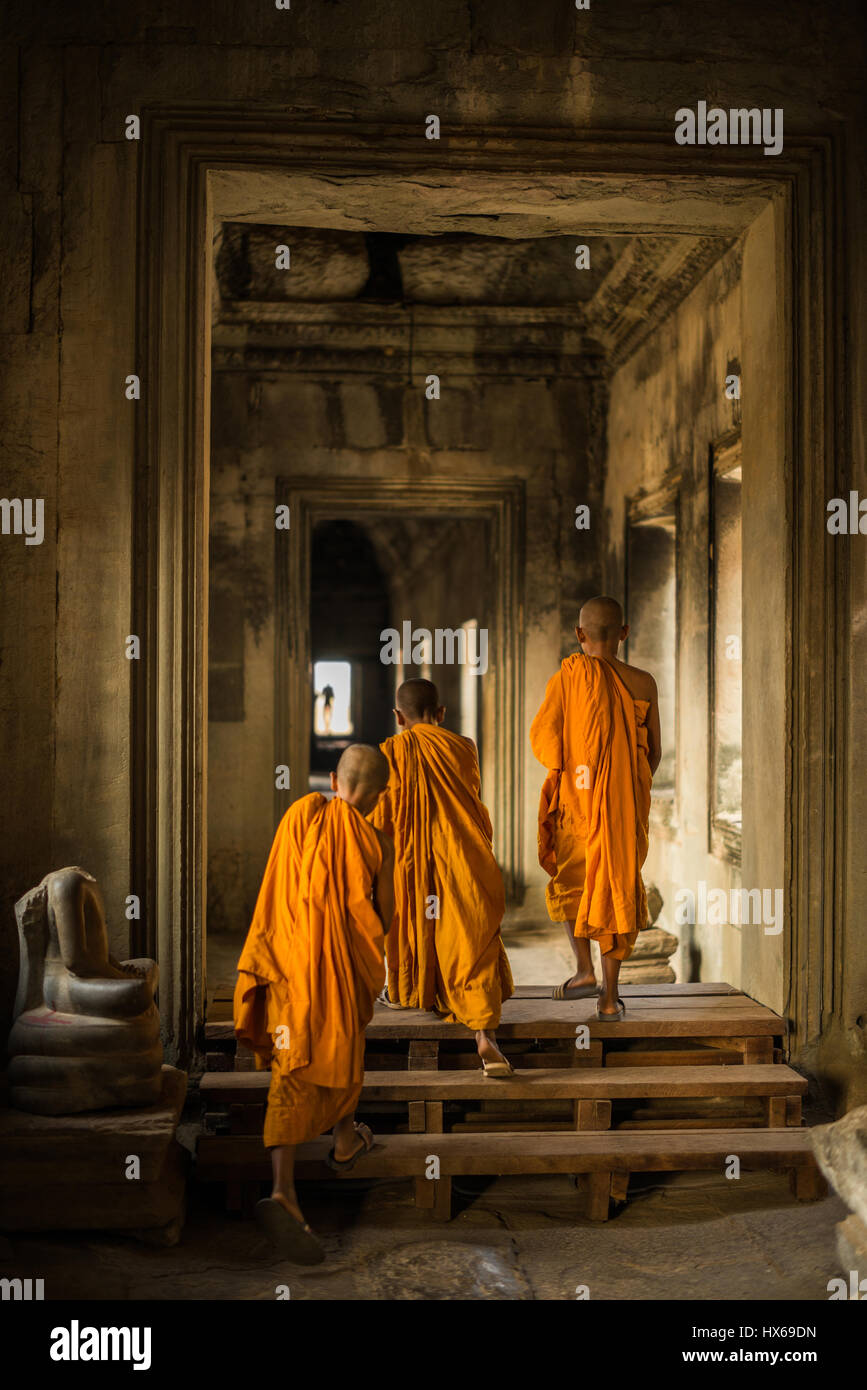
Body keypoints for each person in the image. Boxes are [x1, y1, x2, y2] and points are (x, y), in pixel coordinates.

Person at [234, 744, 394, 1263]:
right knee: (342, 1046)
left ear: (332, 779)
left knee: (293, 1057)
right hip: (341, 971)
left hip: (290, 965)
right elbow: (383, 918)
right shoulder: (376, 841)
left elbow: (278, 890)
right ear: (380, 798)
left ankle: (316, 1162)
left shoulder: (302, 813)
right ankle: (312, 1168)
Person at [370, 677, 514, 1075]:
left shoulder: (391, 753)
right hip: (464, 858)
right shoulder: (462, 747)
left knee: (419, 920)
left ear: (398, 718)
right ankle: (484, 1033)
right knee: (470, 937)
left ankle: (414, 989)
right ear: (442, 713)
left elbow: (382, 820)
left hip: (415, 863)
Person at [529, 596, 661, 1018]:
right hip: (623, 810)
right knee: (616, 887)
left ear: (579, 635)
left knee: (575, 883)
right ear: (624, 633)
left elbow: (548, 746)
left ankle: (583, 969)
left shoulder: (567, 678)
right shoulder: (643, 682)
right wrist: (626, 786)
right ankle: (608, 997)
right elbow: (654, 753)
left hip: (578, 806)